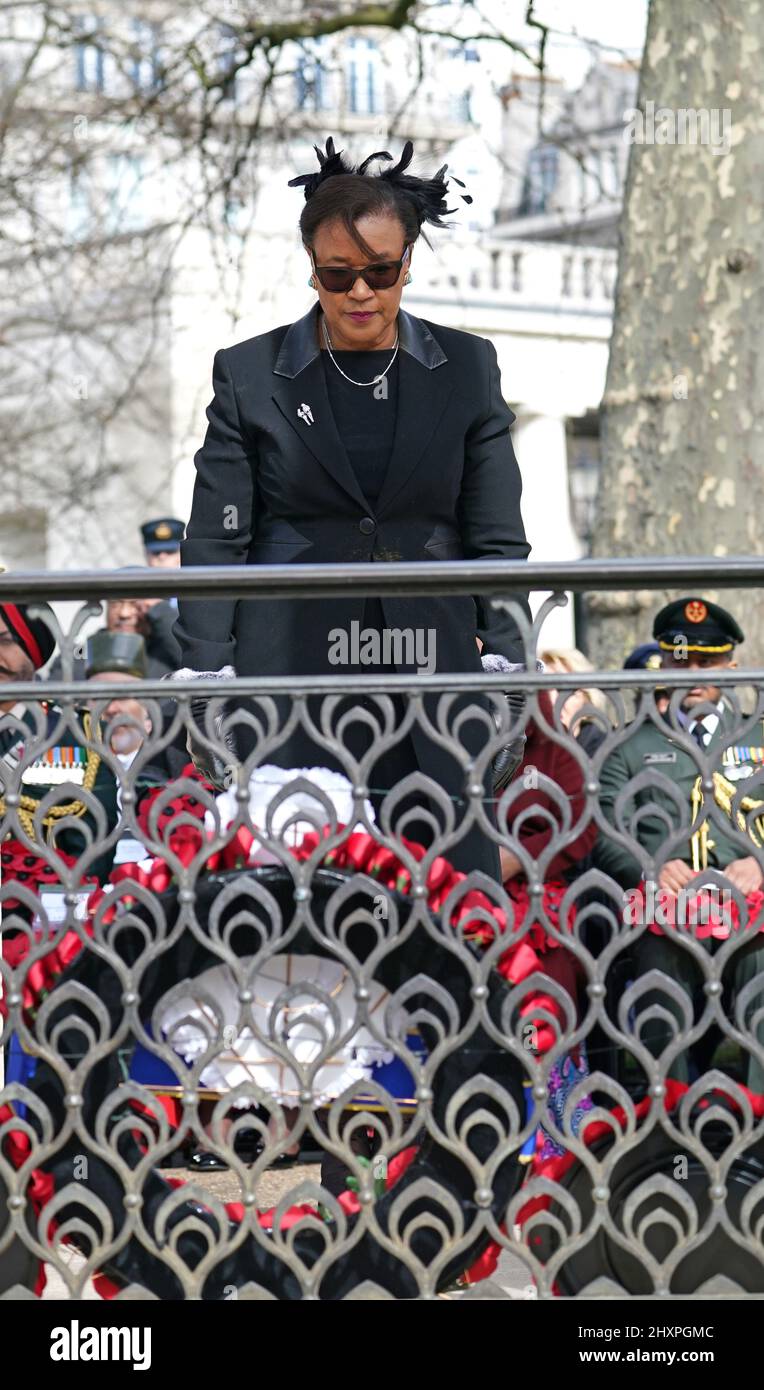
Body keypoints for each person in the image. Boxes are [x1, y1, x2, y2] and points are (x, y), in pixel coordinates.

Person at [173, 136, 532, 880]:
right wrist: (207, 679)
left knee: (448, 896)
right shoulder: (247, 373)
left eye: (381, 271)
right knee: (291, 895)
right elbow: (215, 538)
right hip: (288, 670)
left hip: (433, 666)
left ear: (409, 264)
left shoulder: (469, 365)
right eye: (339, 275)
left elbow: (497, 540)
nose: (361, 292)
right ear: (312, 270)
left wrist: (506, 662)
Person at [594, 596, 764, 1087]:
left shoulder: (757, 737)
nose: (693, 671)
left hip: (750, 905)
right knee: (659, 974)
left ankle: (755, 1130)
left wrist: (760, 864)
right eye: (681, 659)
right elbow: (602, 833)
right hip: (667, 909)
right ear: (663, 661)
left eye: (707, 661)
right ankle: (665, 1127)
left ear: (731, 664)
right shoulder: (629, 746)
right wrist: (650, 868)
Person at [538, 645, 610, 755]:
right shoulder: (523, 749)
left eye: (566, 689)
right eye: (545, 688)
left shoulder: (606, 754)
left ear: (587, 701)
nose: (552, 700)